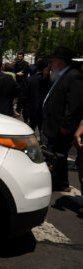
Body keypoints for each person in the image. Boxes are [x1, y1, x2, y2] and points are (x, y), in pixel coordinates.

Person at [42, 47, 83, 191]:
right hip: (55, 125)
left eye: (52, 62)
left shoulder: (74, 76)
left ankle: (56, 183)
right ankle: (61, 183)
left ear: (61, 62)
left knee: (57, 155)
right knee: (58, 155)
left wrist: (65, 126)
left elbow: (74, 105)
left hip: (61, 128)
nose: (50, 65)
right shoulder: (62, 75)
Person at [16, 59, 50, 133]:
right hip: (44, 110)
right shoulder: (51, 80)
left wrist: (18, 108)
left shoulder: (30, 80)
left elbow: (23, 95)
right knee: (43, 129)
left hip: (31, 108)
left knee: (31, 128)